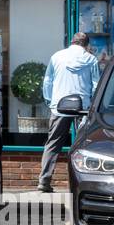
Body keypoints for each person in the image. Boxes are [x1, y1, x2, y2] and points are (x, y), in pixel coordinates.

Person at [38, 32, 101, 193]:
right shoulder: (91, 59)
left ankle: (44, 180)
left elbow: (48, 81)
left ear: (72, 42)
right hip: (84, 107)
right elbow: (96, 85)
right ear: (86, 45)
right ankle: (84, 183)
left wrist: (50, 101)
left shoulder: (57, 57)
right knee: (85, 146)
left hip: (59, 106)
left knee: (53, 144)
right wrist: (93, 105)